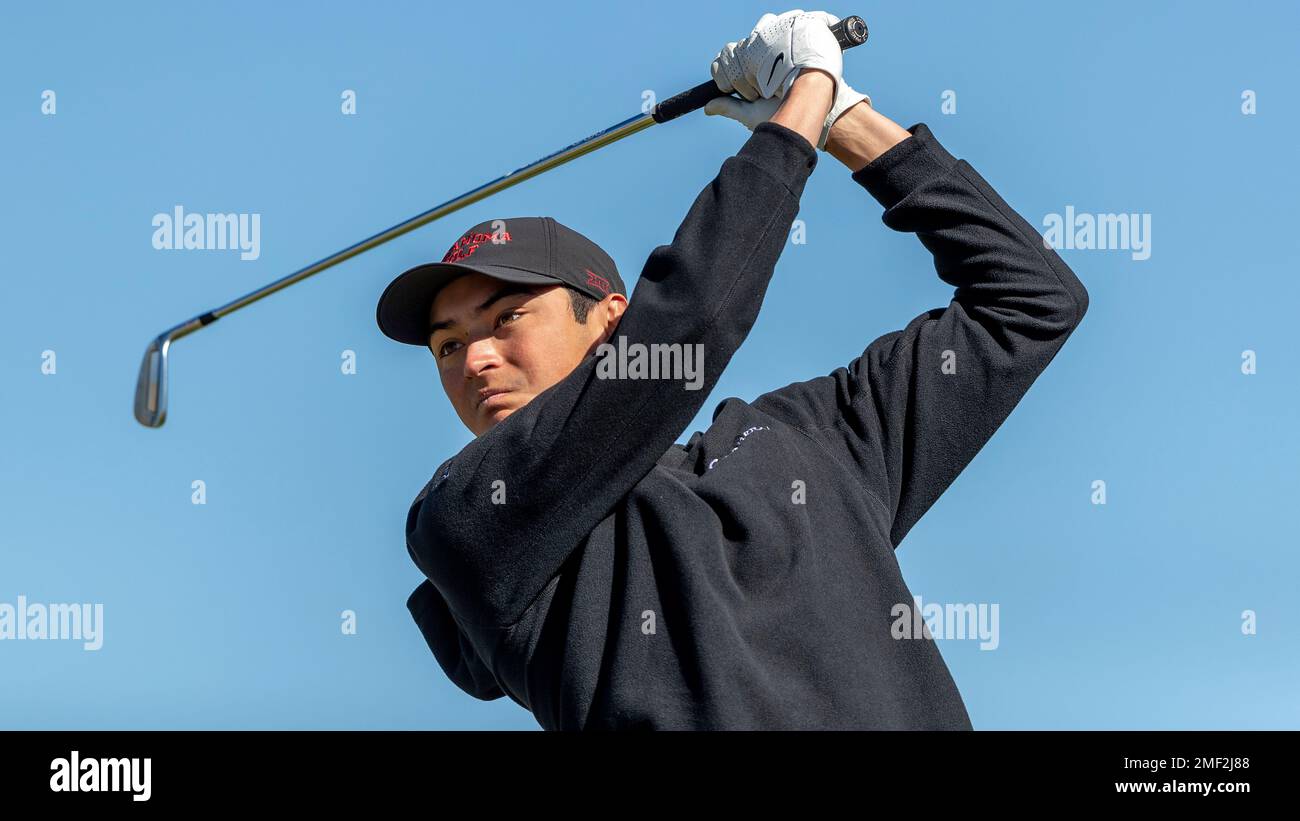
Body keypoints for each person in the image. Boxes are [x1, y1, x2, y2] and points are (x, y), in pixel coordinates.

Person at [375, 10, 1089, 730]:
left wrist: (846, 122)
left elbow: (1031, 299)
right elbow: (693, 321)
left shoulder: (806, 442)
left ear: (610, 319)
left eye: (505, 318)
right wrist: (798, 110)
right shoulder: (466, 513)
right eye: (447, 345)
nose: (477, 358)